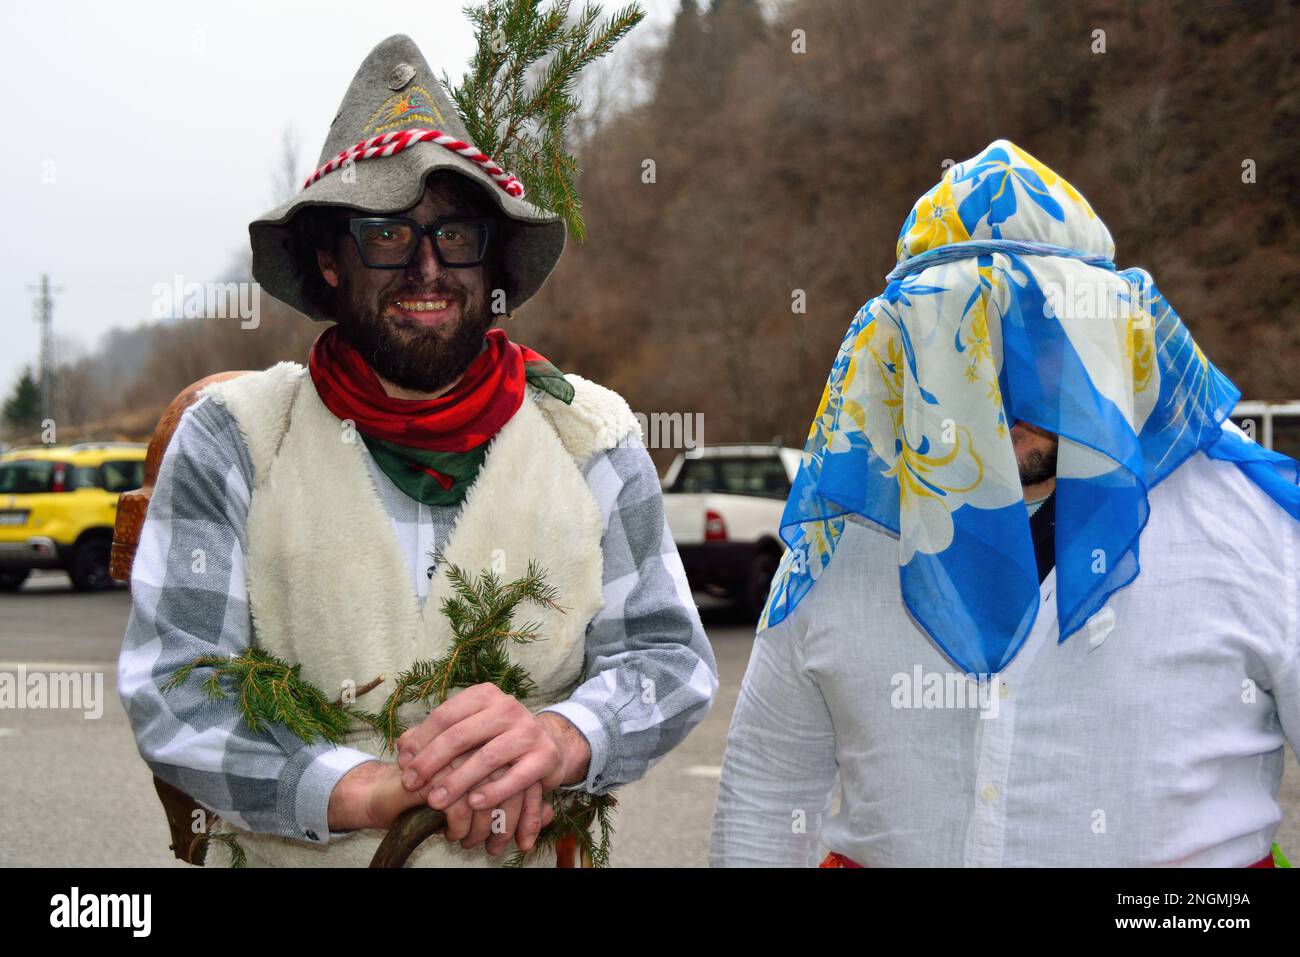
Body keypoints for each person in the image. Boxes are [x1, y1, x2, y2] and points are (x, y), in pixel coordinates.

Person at [118, 34, 717, 867]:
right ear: (328, 259)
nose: (429, 269)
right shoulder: (233, 439)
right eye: (387, 235)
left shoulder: (591, 436)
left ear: (491, 255)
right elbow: (177, 690)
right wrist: (361, 789)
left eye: (455, 234)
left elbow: (670, 658)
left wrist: (558, 737)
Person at [710, 139, 1300, 867]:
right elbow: (766, 798)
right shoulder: (842, 540)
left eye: (1040, 338)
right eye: (967, 343)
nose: (1006, 385)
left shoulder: (1254, 527)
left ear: (1106, 336)